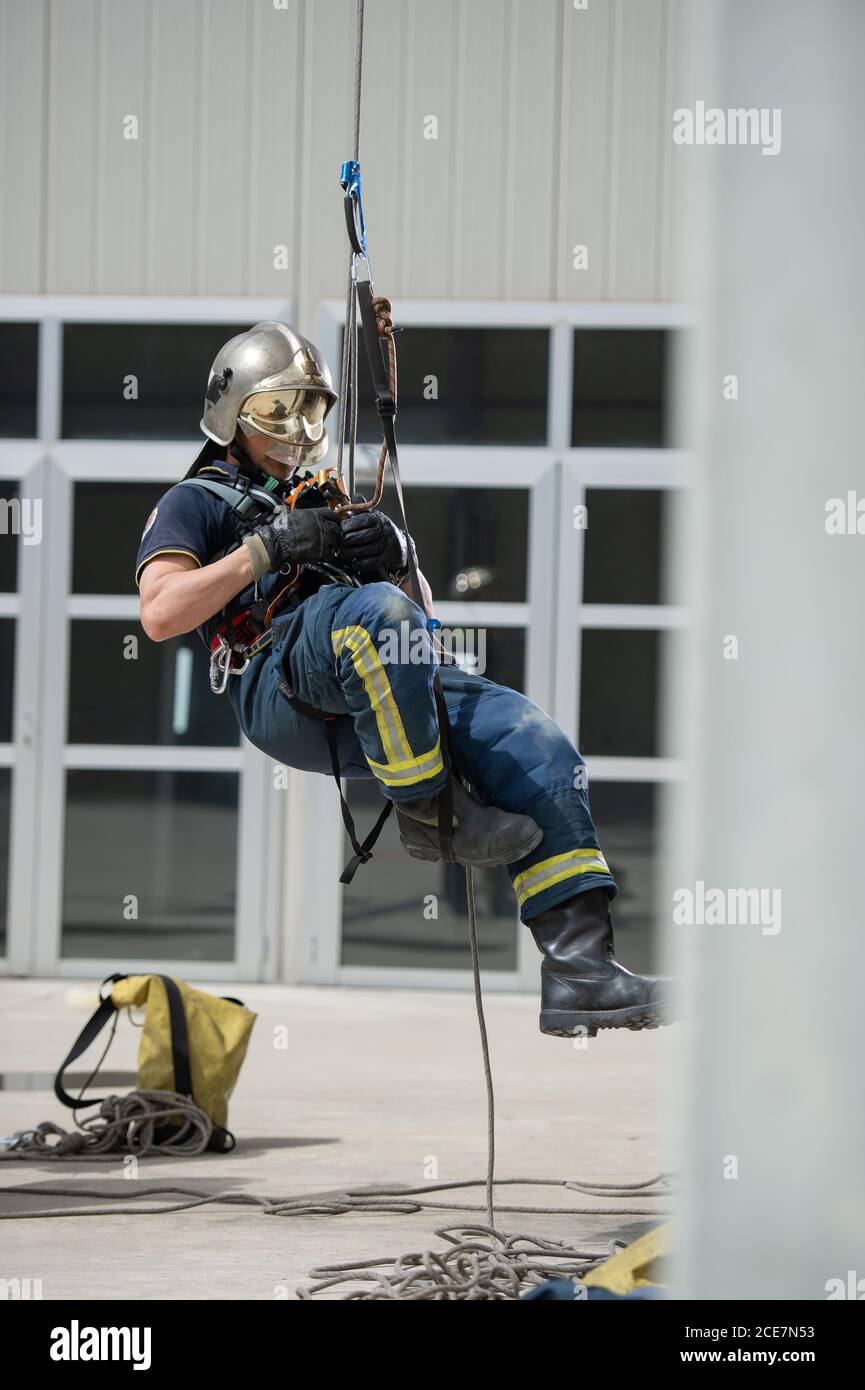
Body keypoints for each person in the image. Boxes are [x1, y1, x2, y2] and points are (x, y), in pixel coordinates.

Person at [136, 321, 672, 1037]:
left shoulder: (327, 496)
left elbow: (420, 617)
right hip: (276, 680)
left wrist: (395, 552)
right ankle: (431, 811)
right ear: (231, 414)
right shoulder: (195, 501)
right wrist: (261, 552)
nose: (298, 429)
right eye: (278, 411)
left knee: (535, 742)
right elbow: (161, 614)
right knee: (373, 620)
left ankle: (581, 969)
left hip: (375, 675)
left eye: (310, 410)